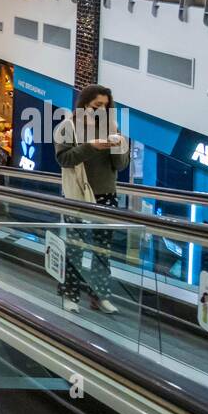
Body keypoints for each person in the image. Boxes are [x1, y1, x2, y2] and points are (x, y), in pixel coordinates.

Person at [55, 83, 129, 315]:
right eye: (97, 105)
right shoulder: (68, 127)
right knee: (74, 248)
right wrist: (91, 146)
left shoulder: (112, 127)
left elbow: (120, 166)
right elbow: (64, 159)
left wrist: (118, 146)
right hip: (77, 195)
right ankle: (70, 294)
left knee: (102, 250)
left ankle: (100, 295)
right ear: (85, 103)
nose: (101, 111)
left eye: (105, 107)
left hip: (106, 194)